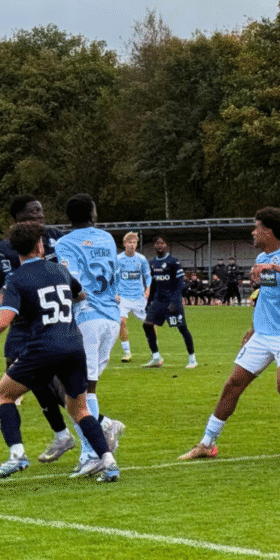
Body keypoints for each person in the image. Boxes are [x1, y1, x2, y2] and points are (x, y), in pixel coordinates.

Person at [0, 220, 119, 483]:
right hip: (74, 345)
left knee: (3, 396)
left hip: (43, 347)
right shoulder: (60, 270)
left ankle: (17, 455)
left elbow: (2, 321)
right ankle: (109, 462)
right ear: (40, 245)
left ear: (15, 250)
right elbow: (81, 295)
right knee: (80, 409)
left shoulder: (17, 279)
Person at [179, 207, 280, 464]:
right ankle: (207, 443)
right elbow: (266, 297)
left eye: (257, 227)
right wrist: (253, 328)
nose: (253, 232)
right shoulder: (261, 257)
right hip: (262, 335)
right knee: (233, 385)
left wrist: (274, 267)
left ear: (268, 230)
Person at [0, 195, 74, 463]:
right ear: (18, 218)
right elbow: (5, 273)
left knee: (32, 373)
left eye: (41, 210)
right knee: (33, 373)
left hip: (38, 316)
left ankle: (93, 423)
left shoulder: (56, 237)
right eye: (33, 212)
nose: (39, 215)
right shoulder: (8, 247)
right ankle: (67, 432)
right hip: (27, 315)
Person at [53, 194, 126, 478]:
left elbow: (70, 278)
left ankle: (92, 450)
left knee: (76, 389)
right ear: (93, 214)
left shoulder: (65, 242)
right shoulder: (107, 238)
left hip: (88, 315)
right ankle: (101, 431)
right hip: (111, 316)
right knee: (86, 386)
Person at [143, 235, 197, 368]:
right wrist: (149, 302)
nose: (159, 245)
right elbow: (154, 284)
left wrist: (175, 302)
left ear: (166, 245)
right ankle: (156, 358)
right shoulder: (152, 263)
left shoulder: (173, 262)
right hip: (159, 301)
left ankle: (192, 359)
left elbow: (179, 284)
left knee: (182, 329)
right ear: (154, 246)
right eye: (157, 243)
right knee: (147, 325)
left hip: (172, 302)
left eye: (162, 243)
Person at [114, 232, 151, 363]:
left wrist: (148, 288)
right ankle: (127, 352)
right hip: (123, 297)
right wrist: (115, 292)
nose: (132, 245)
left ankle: (154, 351)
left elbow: (148, 275)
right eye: (129, 242)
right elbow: (112, 277)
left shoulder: (141, 259)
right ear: (125, 244)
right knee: (121, 321)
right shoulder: (118, 259)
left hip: (138, 297)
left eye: (134, 243)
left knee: (149, 324)